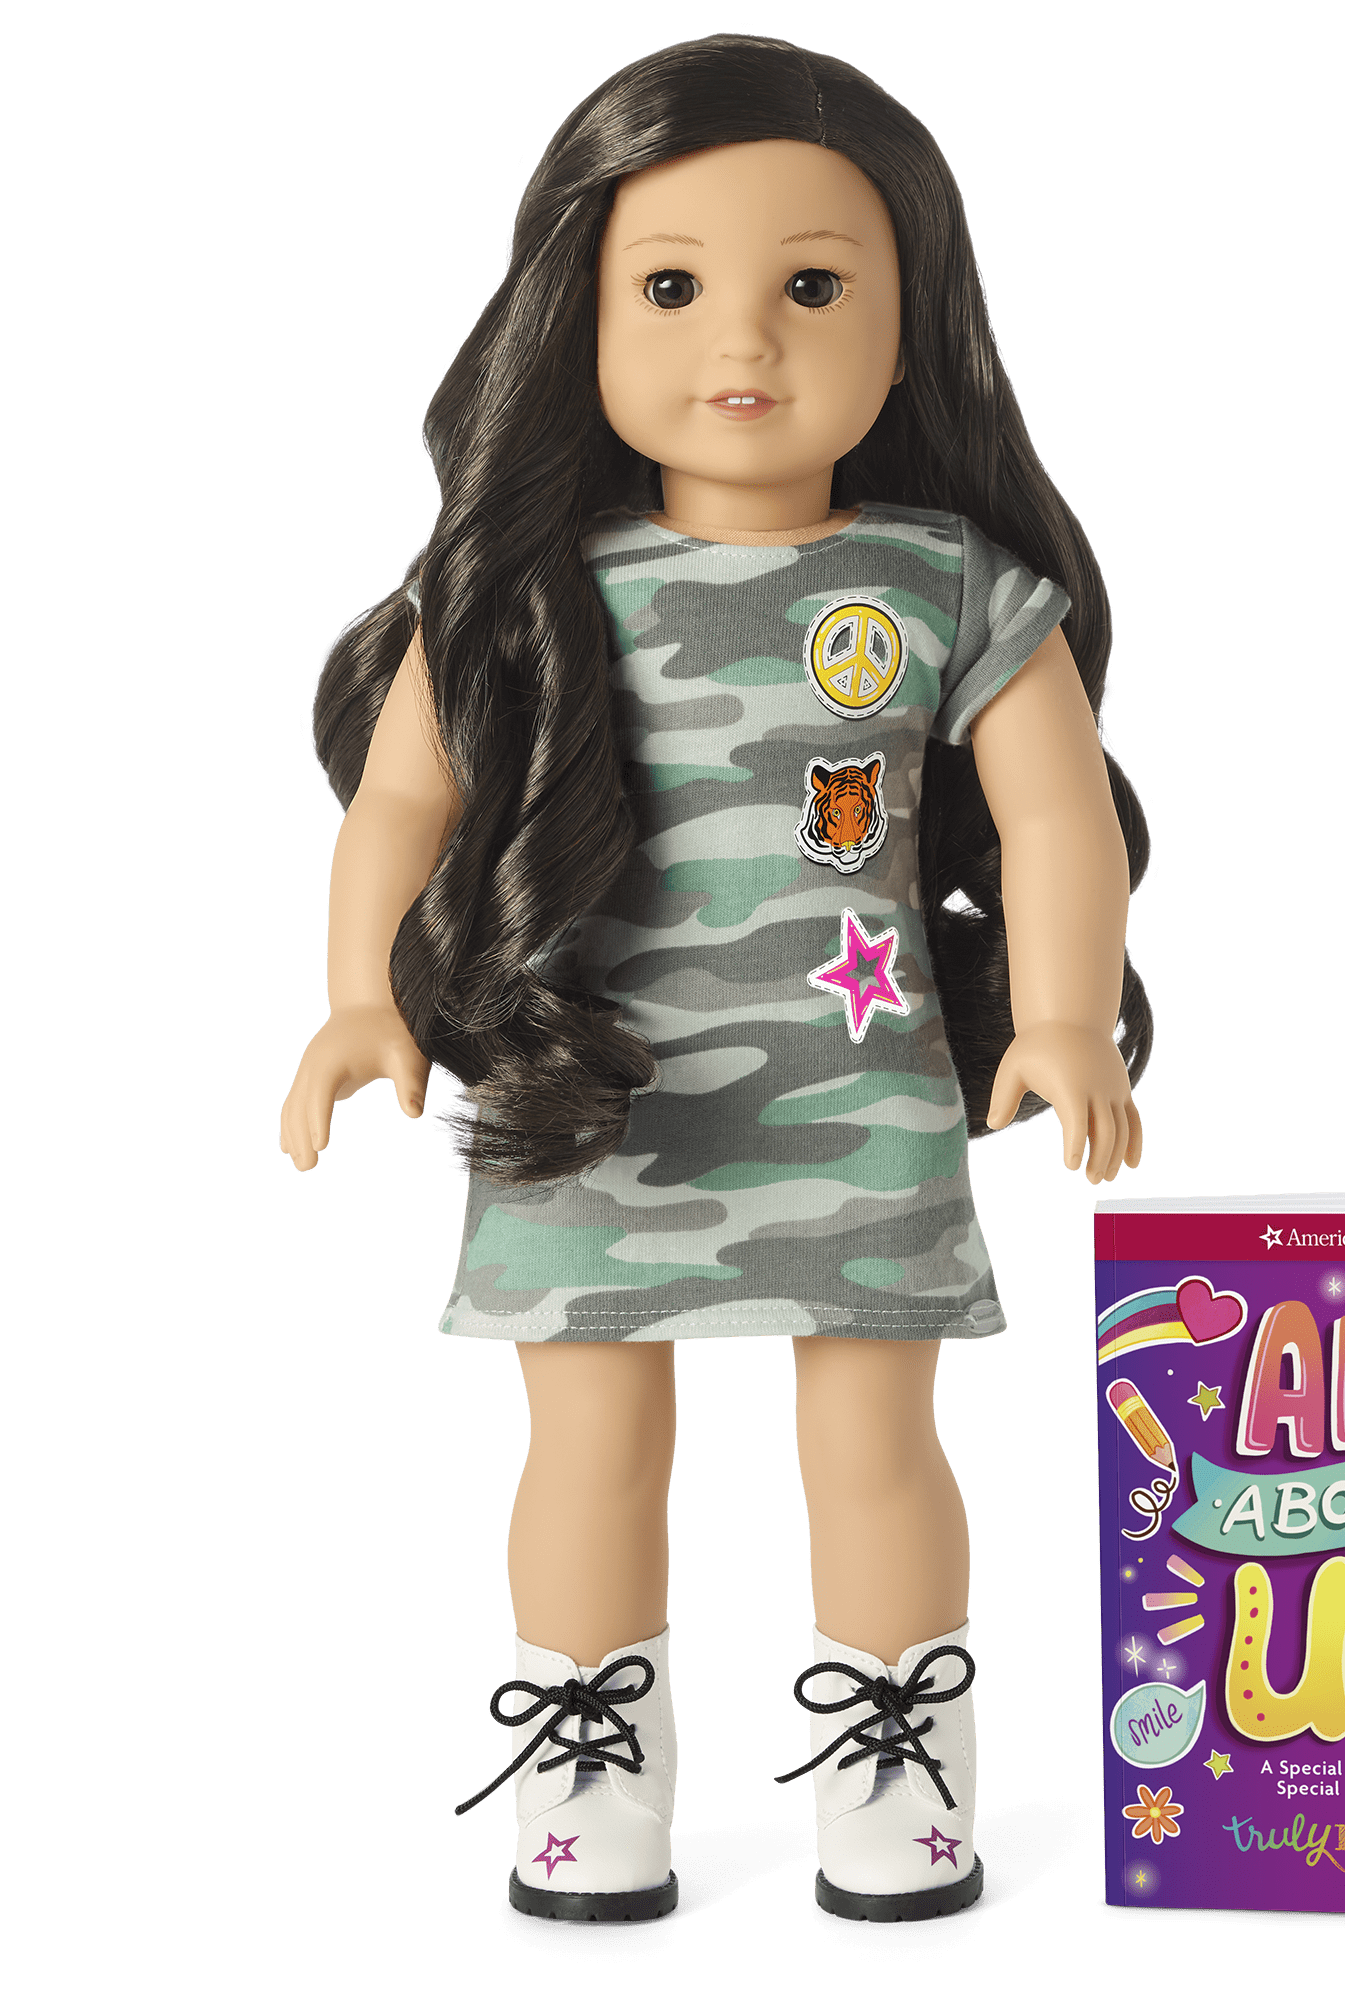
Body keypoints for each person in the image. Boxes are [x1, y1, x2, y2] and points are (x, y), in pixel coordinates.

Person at [279, 34, 1151, 1946]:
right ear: (574, 317)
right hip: (584, 1094)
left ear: (916, 328)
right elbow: (405, 802)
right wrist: (366, 992)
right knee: (590, 1449)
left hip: (860, 1095)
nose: (741, 337)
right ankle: (589, 1792)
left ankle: (898, 1784)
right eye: (669, 286)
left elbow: (1057, 817)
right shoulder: (522, 588)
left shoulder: (946, 582)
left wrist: (1065, 1016)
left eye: (814, 284)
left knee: (877, 1445)